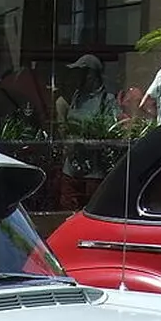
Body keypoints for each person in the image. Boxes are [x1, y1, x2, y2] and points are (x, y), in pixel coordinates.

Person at [56, 53, 119, 209]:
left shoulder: (107, 99)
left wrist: (88, 142)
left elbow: (110, 133)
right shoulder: (76, 97)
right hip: (72, 167)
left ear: (90, 74)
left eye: (80, 72)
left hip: (94, 171)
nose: (76, 77)